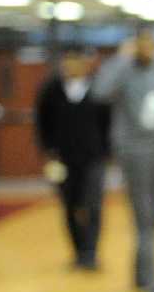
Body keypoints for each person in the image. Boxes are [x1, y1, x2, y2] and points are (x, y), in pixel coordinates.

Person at [94, 27, 154, 292]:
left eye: (151, 43)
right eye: (141, 44)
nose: (147, 48)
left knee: (153, 216)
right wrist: (120, 59)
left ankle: (139, 272)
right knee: (144, 215)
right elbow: (99, 93)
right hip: (134, 153)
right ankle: (151, 280)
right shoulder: (124, 72)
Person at [35, 46, 111, 270]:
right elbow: (42, 123)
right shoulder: (51, 90)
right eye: (66, 62)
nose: (69, 67)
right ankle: (77, 251)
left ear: (85, 65)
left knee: (93, 206)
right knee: (69, 206)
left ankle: (91, 253)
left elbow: (107, 123)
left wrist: (107, 151)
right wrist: (48, 152)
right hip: (63, 159)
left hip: (93, 157)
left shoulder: (98, 90)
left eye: (75, 62)